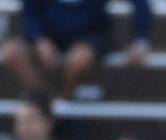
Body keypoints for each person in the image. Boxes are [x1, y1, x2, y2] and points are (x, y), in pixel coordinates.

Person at [2, 0, 151, 97]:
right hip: (46, 34)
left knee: (79, 58)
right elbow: (29, 14)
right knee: (11, 52)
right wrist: (39, 39)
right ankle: (41, 96)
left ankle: (63, 98)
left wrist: (140, 42)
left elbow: (140, 3)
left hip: (90, 35)